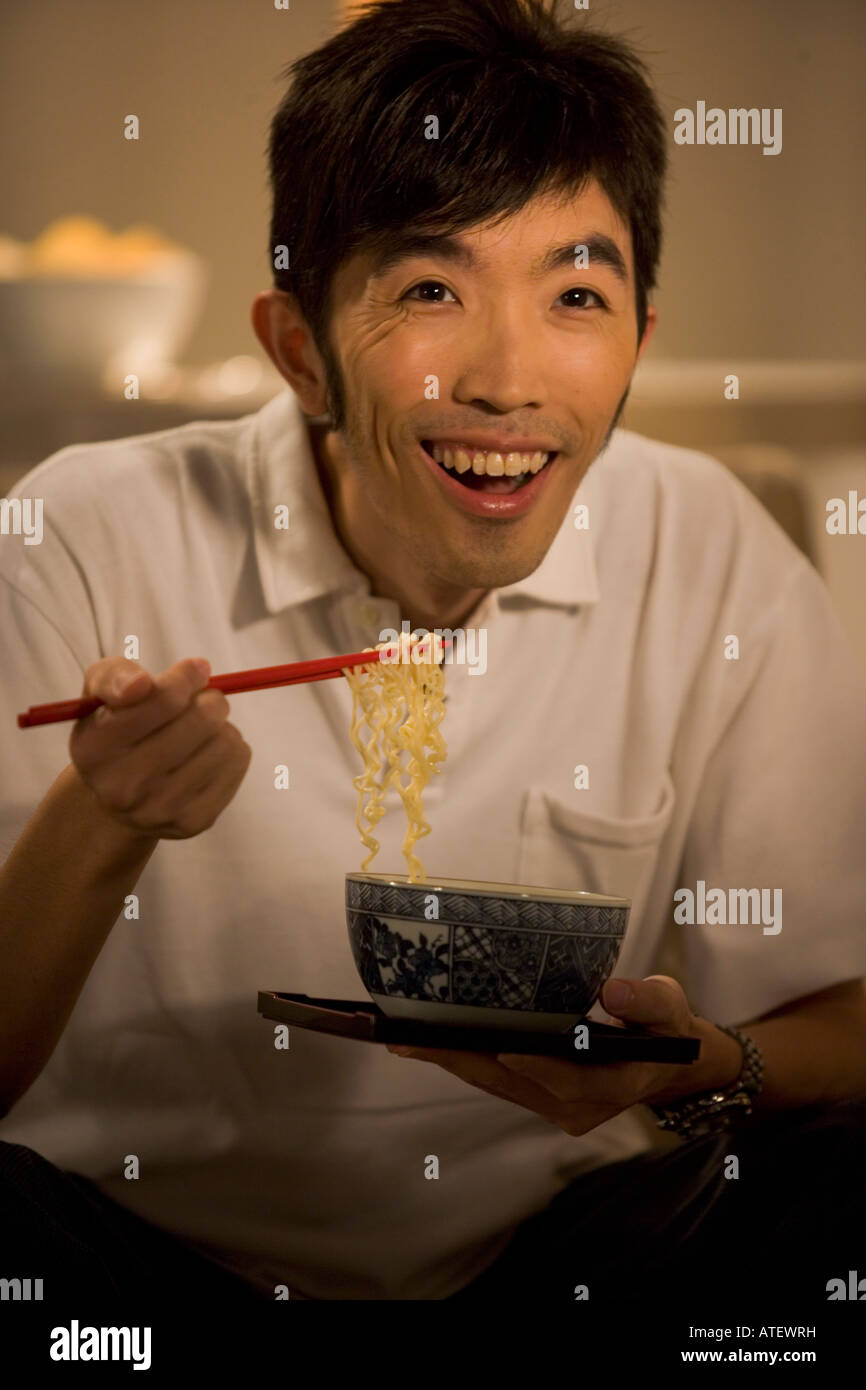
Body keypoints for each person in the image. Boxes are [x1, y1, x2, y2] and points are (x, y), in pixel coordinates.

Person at [1, 0, 864, 1309]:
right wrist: (101, 820)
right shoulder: (77, 532)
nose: (509, 378)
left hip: (557, 1261)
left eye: (576, 293)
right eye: (429, 290)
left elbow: (843, 1028)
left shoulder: (705, 544)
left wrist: (697, 1063)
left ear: (637, 335)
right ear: (299, 350)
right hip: (137, 1263)